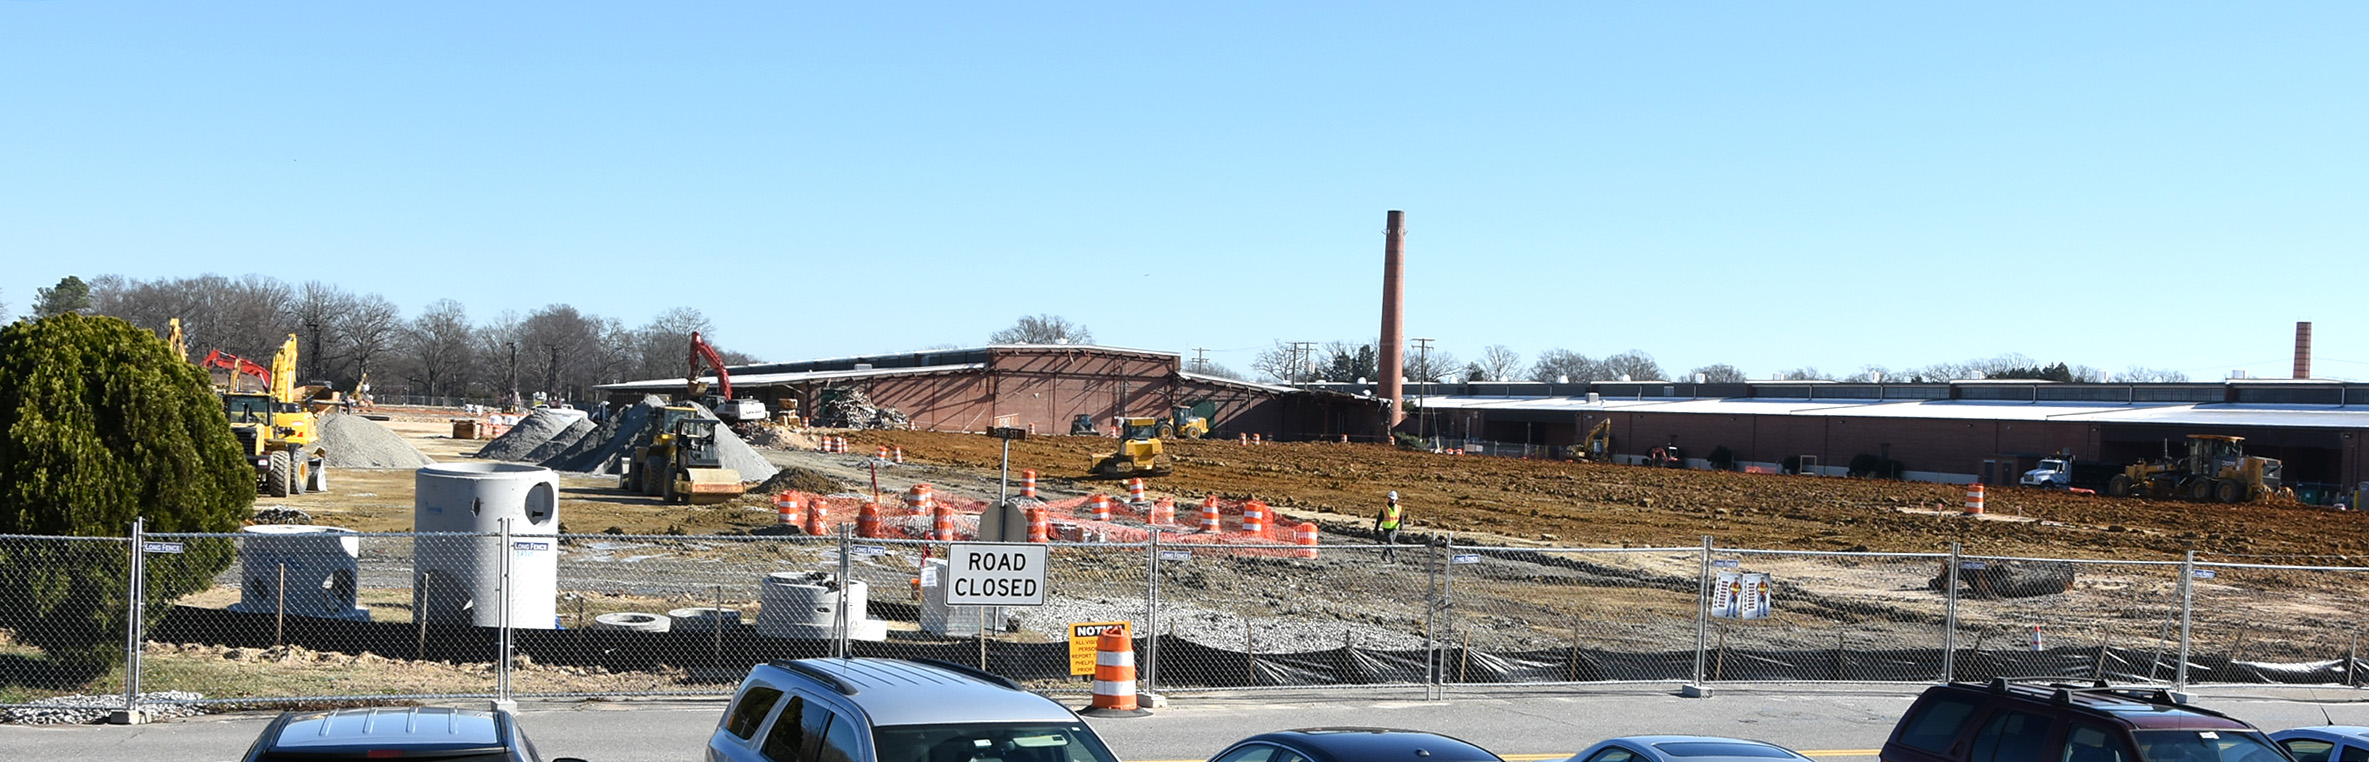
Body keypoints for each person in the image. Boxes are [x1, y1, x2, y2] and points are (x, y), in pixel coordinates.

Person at [1374, 490, 1403, 561]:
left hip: (1395, 528)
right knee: (1390, 543)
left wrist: (1401, 525)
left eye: (1394, 499)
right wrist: (1376, 528)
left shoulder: (1398, 507)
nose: (1393, 500)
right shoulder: (1384, 508)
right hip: (1387, 528)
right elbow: (1379, 518)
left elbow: (1401, 517)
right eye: (1392, 499)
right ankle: (1393, 557)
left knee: (1389, 543)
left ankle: (1383, 556)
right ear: (1389, 498)